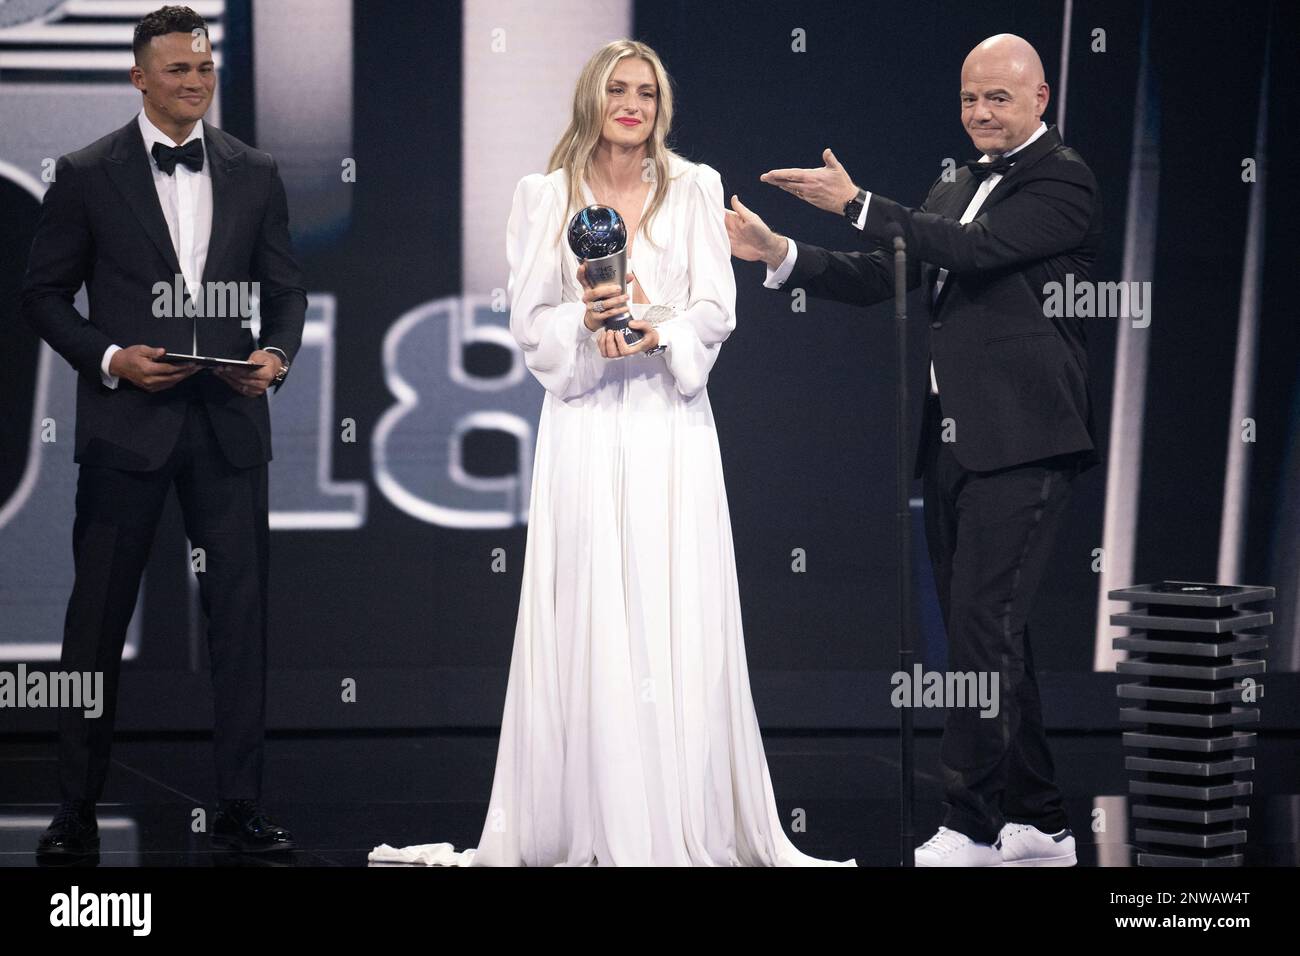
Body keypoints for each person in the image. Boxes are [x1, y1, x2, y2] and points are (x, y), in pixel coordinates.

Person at [370, 39, 853, 867]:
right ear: (593, 97)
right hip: (587, 425)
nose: (634, 104)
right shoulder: (541, 195)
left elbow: (715, 308)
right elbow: (531, 322)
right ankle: (590, 818)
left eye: (649, 92)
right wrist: (590, 327)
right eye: (620, 89)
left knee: (674, 603)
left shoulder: (696, 186)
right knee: (589, 606)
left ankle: (675, 820)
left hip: (670, 421)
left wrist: (655, 325)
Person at [726, 33, 1101, 867]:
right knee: (993, 632)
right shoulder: (953, 181)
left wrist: (858, 201)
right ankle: (1041, 823)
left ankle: (969, 824)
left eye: (999, 98)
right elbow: (884, 273)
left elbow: (972, 252)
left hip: (1028, 438)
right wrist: (780, 254)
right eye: (970, 99)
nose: (981, 113)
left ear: (1041, 99)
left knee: (980, 629)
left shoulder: (1063, 179)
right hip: (954, 444)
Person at [21, 5, 304, 858]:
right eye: (177, 69)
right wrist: (110, 356)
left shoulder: (256, 170)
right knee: (94, 624)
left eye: (204, 67)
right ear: (139, 77)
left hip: (227, 425)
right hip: (126, 426)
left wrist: (277, 354)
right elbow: (41, 294)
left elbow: (285, 290)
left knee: (239, 623)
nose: (196, 80)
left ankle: (240, 806)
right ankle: (74, 809)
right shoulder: (85, 172)